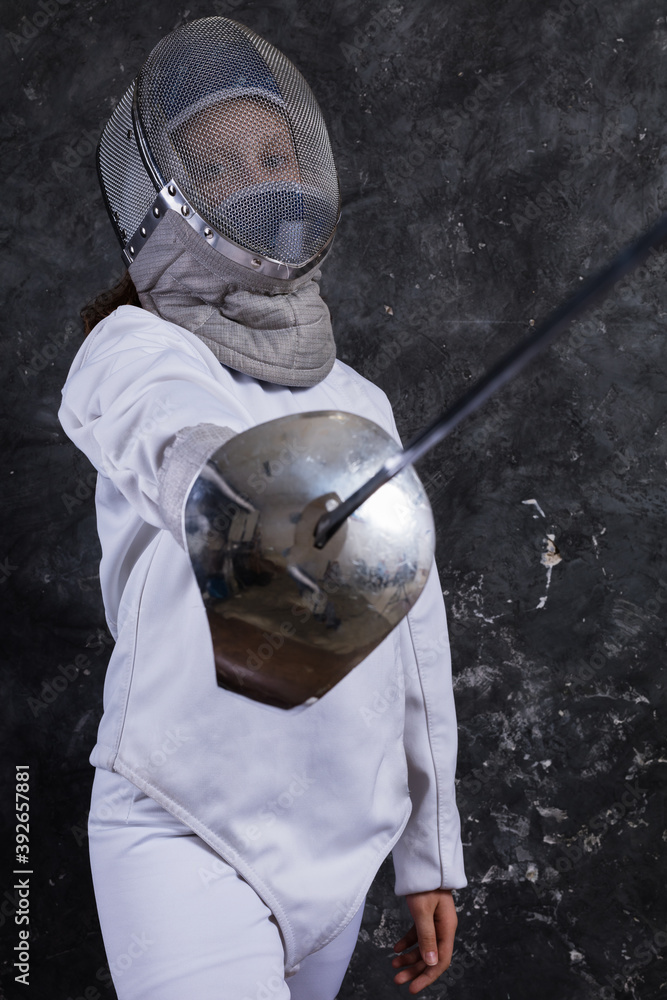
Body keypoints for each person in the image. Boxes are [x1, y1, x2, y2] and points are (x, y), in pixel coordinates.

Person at [58, 16, 467, 999]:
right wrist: (239, 498)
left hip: (337, 852)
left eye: (274, 153)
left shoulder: (363, 403)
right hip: (186, 826)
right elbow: (170, 434)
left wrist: (427, 853)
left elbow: (413, 636)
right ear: (173, 199)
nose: (262, 178)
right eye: (224, 164)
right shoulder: (138, 349)